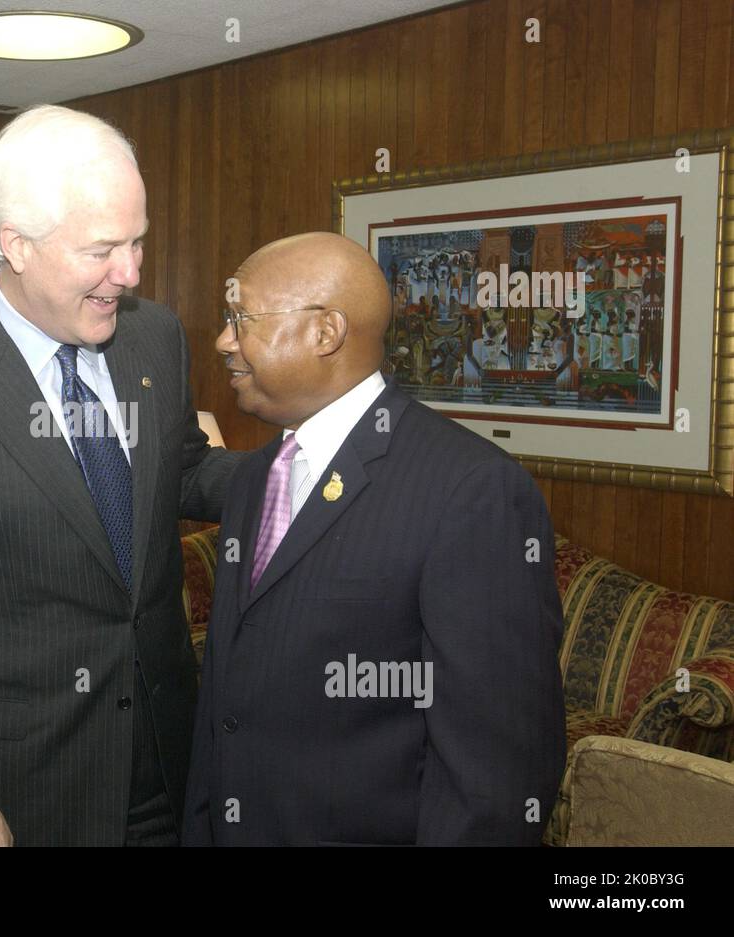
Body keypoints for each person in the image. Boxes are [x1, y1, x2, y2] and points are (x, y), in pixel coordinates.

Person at [0, 105, 242, 846]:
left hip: (166, 746)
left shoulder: (151, 337)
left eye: (137, 243)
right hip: (24, 784)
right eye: (102, 250)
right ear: (14, 244)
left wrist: (298, 472)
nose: (128, 274)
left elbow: (181, 470)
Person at [184, 232, 565, 846]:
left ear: (325, 333)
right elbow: (227, 710)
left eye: (241, 319)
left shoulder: (469, 491)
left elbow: (493, 776)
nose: (224, 340)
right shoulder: (257, 476)